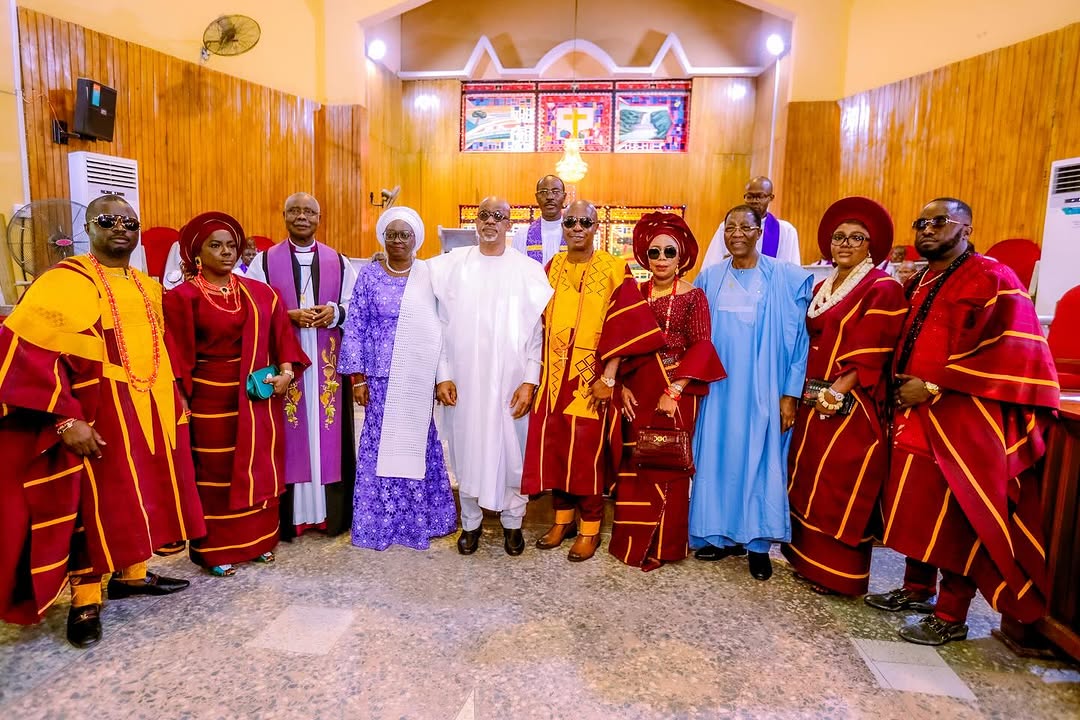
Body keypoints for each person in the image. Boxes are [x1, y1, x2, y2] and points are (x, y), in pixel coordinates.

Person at [0, 194, 204, 647]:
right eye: (108, 220)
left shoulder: (146, 283)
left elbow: (160, 348)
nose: (121, 228)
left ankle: (132, 576)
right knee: (91, 503)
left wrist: (178, 401)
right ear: (87, 228)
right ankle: (85, 599)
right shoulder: (64, 281)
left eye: (130, 222)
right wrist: (64, 419)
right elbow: (29, 356)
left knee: (139, 496)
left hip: (153, 408)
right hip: (99, 412)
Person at [866, 198, 1059, 645]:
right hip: (913, 415)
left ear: (966, 228)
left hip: (961, 417)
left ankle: (951, 614)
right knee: (917, 506)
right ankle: (917, 589)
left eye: (939, 222)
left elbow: (1010, 348)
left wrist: (934, 386)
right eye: (921, 223)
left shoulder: (994, 277)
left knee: (958, 514)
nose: (927, 230)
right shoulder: (920, 279)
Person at [163, 212, 308, 577]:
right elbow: (175, 356)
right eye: (216, 245)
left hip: (257, 396)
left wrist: (287, 373)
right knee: (217, 471)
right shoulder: (182, 298)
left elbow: (283, 340)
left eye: (231, 245)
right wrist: (180, 400)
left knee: (259, 466)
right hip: (211, 401)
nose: (226, 252)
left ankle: (259, 542)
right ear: (197, 253)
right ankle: (216, 549)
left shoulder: (262, 294)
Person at [522, 200, 662, 562]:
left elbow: (625, 326)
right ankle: (562, 520)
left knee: (586, 455)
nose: (577, 227)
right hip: (553, 378)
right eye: (570, 222)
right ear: (563, 227)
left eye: (585, 221)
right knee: (555, 450)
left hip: (592, 380)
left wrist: (610, 378)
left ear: (596, 226)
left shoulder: (615, 268)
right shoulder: (551, 267)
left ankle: (589, 528)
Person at [782, 197, 907, 595]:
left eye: (856, 238)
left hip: (851, 401)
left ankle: (840, 576)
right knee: (807, 476)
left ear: (871, 245)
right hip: (813, 397)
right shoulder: (824, 286)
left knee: (841, 481)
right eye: (839, 237)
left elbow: (874, 347)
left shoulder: (882, 288)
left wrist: (838, 391)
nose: (846, 244)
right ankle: (806, 562)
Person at [690, 204, 813, 580]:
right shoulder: (709, 278)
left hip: (764, 387)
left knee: (760, 460)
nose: (738, 233)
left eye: (746, 227)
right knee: (717, 458)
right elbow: (695, 337)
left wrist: (790, 394)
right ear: (723, 234)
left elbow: (800, 342)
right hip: (719, 391)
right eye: (731, 227)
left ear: (760, 232)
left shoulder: (785, 278)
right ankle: (717, 536)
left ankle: (757, 543)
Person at [427, 196, 553, 556]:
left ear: (508, 223)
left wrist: (530, 380)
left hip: (511, 383)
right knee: (467, 449)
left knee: (513, 451)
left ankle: (514, 523)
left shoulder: (527, 270)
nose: (490, 222)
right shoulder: (453, 267)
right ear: (476, 222)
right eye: (484, 216)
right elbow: (441, 324)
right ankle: (470, 524)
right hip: (465, 381)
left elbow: (536, 333)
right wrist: (444, 375)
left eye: (498, 216)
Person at [606, 213, 725, 571]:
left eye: (668, 252)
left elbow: (702, 345)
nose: (660, 259)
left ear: (681, 257)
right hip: (637, 389)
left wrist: (674, 390)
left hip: (675, 390)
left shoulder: (694, 297)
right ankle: (631, 541)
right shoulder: (633, 295)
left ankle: (664, 545)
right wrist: (621, 386)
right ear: (645, 255)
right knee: (634, 461)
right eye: (654, 252)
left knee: (668, 462)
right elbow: (618, 345)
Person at [337, 207, 456, 550]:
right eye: (392, 234)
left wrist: (439, 376)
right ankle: (381, 523)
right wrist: (357, 379)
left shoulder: (428, 275)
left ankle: (422, 519)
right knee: (380, 447)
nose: (398, 240)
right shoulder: (370, 277)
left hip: (417, 375)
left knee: (418, 443)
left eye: (405, 234)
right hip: (378, 377)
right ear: (382, 238)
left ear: (416, 239)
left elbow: (439, 328)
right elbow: (356, 326)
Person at [247, 192, 359, 539]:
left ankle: (331, 516)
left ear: (318, 218)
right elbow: (251, 305)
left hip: (327, 364)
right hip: (287, 364)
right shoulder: (263, 263)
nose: (301, 217)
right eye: (294, 210)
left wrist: (335, 313)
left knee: (328, 435)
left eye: (309, 211)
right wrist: (286, 315)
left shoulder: (339, 262)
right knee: (291, 435)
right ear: (284, 216)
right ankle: (290, 518)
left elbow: (355, 304)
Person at [700, 177, 801, 268]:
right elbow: (712, 263)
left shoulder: (786, 231)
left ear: (771, 198)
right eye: (750, 196)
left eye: (760, 196)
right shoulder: (728, 226)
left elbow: (793, 269)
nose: (754, 201)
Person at [512, 174, 567, 264]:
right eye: (544, 192)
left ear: (564, 197)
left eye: (555, 191)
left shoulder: (574, 235)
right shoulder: (522, 235)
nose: (550, 197)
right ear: (537, 197)